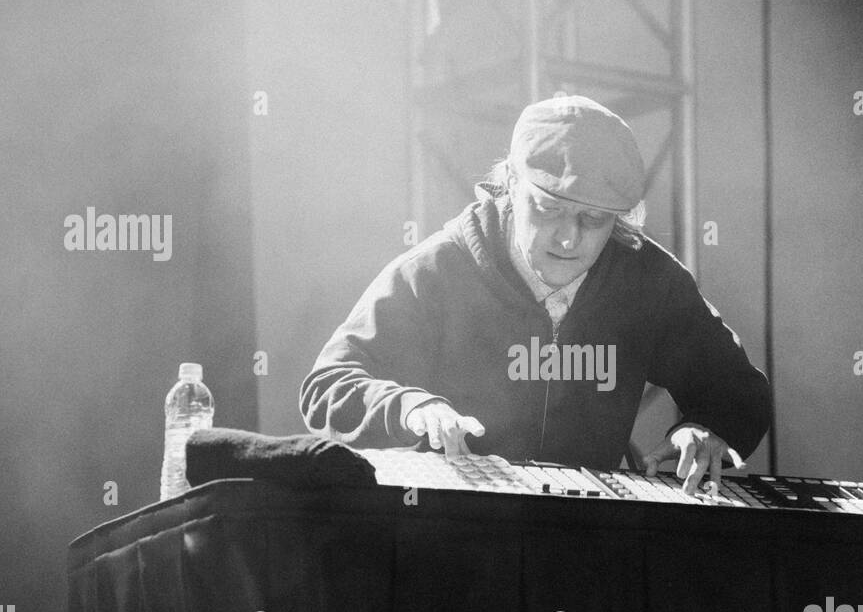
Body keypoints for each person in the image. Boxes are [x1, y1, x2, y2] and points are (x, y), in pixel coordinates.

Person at [300, 95, 771, 495]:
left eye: (593, 220)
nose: (568, 238)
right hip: (452, 532)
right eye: (548, 209)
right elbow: (330, 383)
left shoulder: (648, 281)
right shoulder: (439, 270)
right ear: (509, 185)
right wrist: (410, 407)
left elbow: (737, 390)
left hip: (588, 535)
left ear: (621, 219)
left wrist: (709, 428)